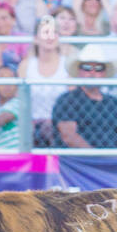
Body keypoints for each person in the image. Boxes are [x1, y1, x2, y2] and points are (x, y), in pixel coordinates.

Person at [53, 45, 117, 148]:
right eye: (87, 68)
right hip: (78, 162)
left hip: (113, 160)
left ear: (104, 73)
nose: (92, 73)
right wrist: (97, 157)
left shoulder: (113, 103)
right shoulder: (67, 101)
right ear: (79, 71)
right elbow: (69, 136)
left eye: (98, 68)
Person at [18, 15, 72, 144]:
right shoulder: (26, 66)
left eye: (54, 32)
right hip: (31, 127)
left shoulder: (67, 65)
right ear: (36, 38)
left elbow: (72, 102)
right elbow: (19, 101)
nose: (50, 36)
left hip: (60, 127)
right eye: (45, 32)